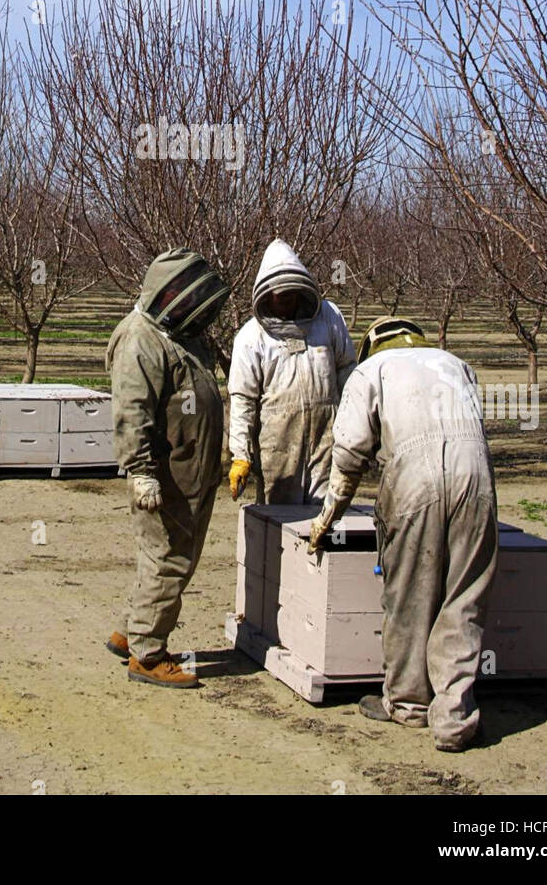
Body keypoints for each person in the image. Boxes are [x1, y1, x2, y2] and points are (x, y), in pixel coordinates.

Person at [309, 316, 498, 752]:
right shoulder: (455, 363)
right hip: (478, 480)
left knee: (410, 594)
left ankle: (408, 704)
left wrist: (327, 519)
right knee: (464, 597)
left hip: (415, 481)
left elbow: (350, 451)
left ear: (372, 346)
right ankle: (454, 718)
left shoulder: (369, 371)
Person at [104, 247, 230, 689]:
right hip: (164, 475)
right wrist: (140, 470)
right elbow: (131, 411)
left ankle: (130, 631)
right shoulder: (140, 340)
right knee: (169, 560)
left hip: (190, 469)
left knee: (160, 556)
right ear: (166, 292)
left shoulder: (180, 334)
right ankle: (148, 654)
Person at [227, 239, 356, 505]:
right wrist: (241, 454)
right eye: (279, 293)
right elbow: (243, 399)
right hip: (277, 446)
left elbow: (349, 375)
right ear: (266, 293)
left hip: (327, 438)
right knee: (279, 526)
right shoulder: (251, 337)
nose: (285, 298)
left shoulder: (329, 318)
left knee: (327, 517)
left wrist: (356, 430)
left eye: (290, 292)